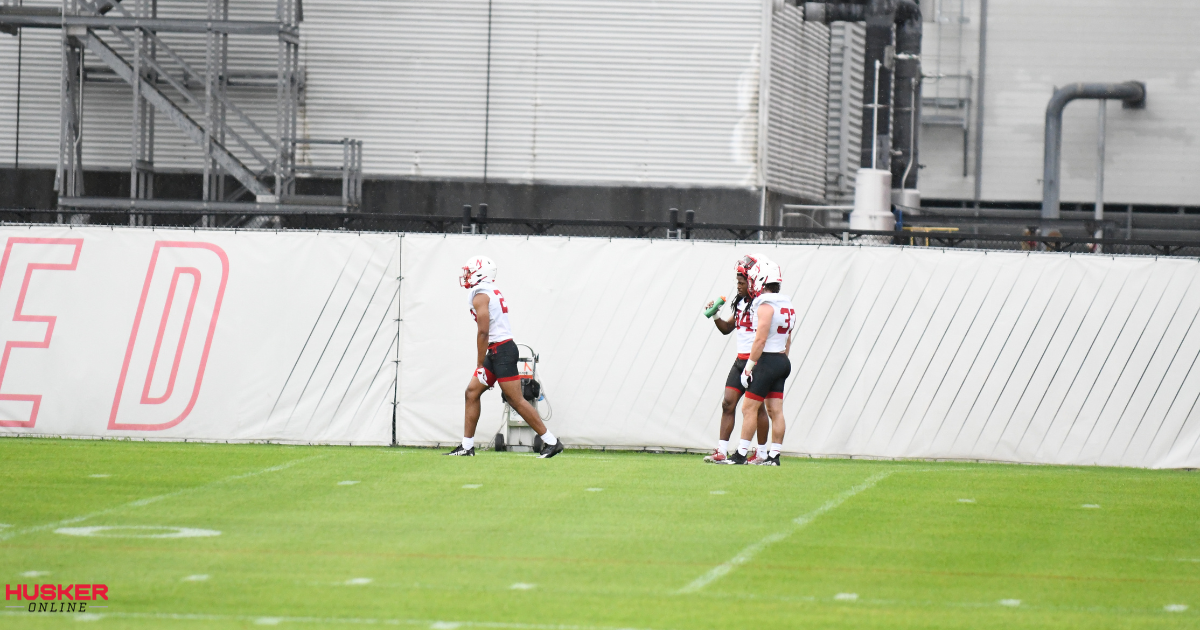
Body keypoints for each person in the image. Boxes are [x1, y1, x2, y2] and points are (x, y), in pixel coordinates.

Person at [448, 255, 563, 458]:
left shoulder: (481, 294)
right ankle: (467, 447)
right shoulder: (487, 291)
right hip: (496, 351)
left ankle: (551, 442)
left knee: (516, 399)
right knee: (471, 393)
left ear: (480, 273)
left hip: (501, 351)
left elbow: (483, 331)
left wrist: (479, 364)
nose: (466, 276)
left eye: (469, 272)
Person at [703, 254, 770, 464]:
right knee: (727, 403)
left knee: (758, 408)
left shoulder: (763, 304)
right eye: (737, 282)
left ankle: (761, 453)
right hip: (740, 361)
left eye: (741, 283)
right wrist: (714, 315)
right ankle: (721, 451)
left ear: (751, 281)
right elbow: (726, 329)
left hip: (757, 362)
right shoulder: (740, 304)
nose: (738, 286)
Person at [727, 259, 794, 466]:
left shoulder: (766, 305)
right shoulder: (787, 304)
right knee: (776, 411)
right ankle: (774, 456)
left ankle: (740, 454)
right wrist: (782, 360)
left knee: (749, 408)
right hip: (782, 359)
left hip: (767, 360)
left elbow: (760, 339)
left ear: (762, 279)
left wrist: (748, 368)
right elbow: (788, 338)